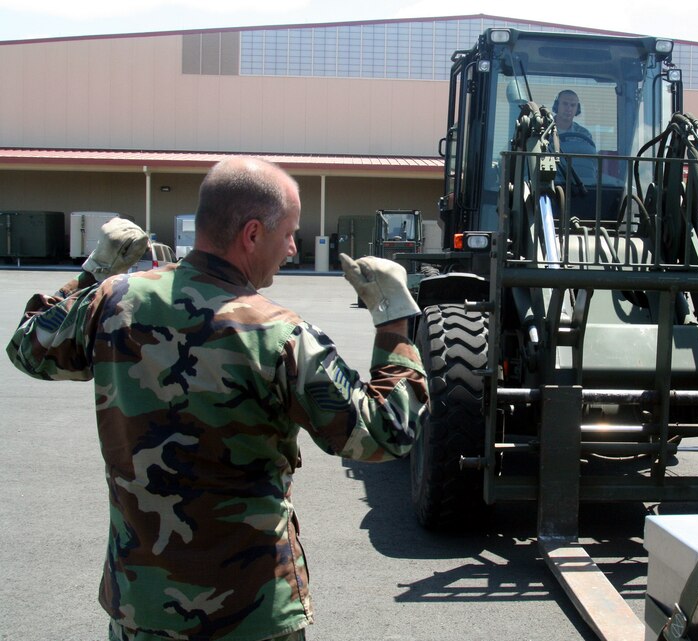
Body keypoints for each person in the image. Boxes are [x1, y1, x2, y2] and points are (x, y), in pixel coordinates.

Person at [6, 157, 427, 641]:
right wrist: (393, 320)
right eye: (288, 233)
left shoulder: (113, 300)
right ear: (252, 233)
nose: (293, 247)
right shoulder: (279, 334)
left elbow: (29, 348)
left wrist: (96, 271)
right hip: (249, 614)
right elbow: (385, 433)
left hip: (141, 608)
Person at [552, 89, 598, 185]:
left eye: (573, 105)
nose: (569, 108)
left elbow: (591, 164)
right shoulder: (544, 131)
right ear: (557, 106)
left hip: (580, 184)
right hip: (551, 182)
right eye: (565, 104)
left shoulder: (584, 135)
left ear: (577, 108)